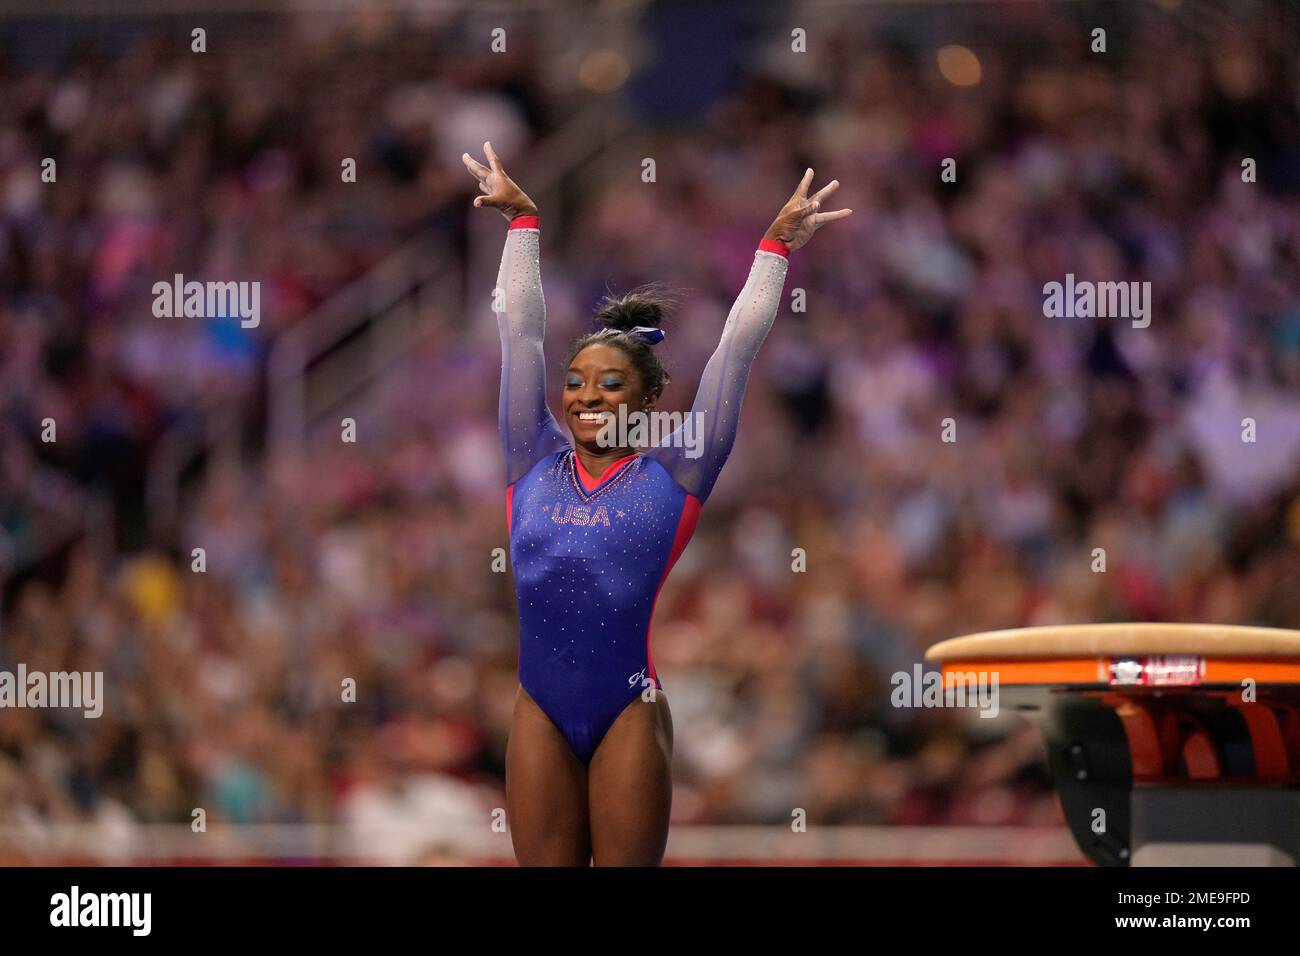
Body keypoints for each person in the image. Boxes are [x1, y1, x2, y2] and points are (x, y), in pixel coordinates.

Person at [462, 141, 850, 865]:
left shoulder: (680, 468)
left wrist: (775, 248)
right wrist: (523, 225)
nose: (583, 397)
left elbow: (734, 349)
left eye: (607, 384)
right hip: (537, 707)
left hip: (627, 712)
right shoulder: (532, 454)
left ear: (646, 398)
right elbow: (520, 330)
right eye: (575, 382)